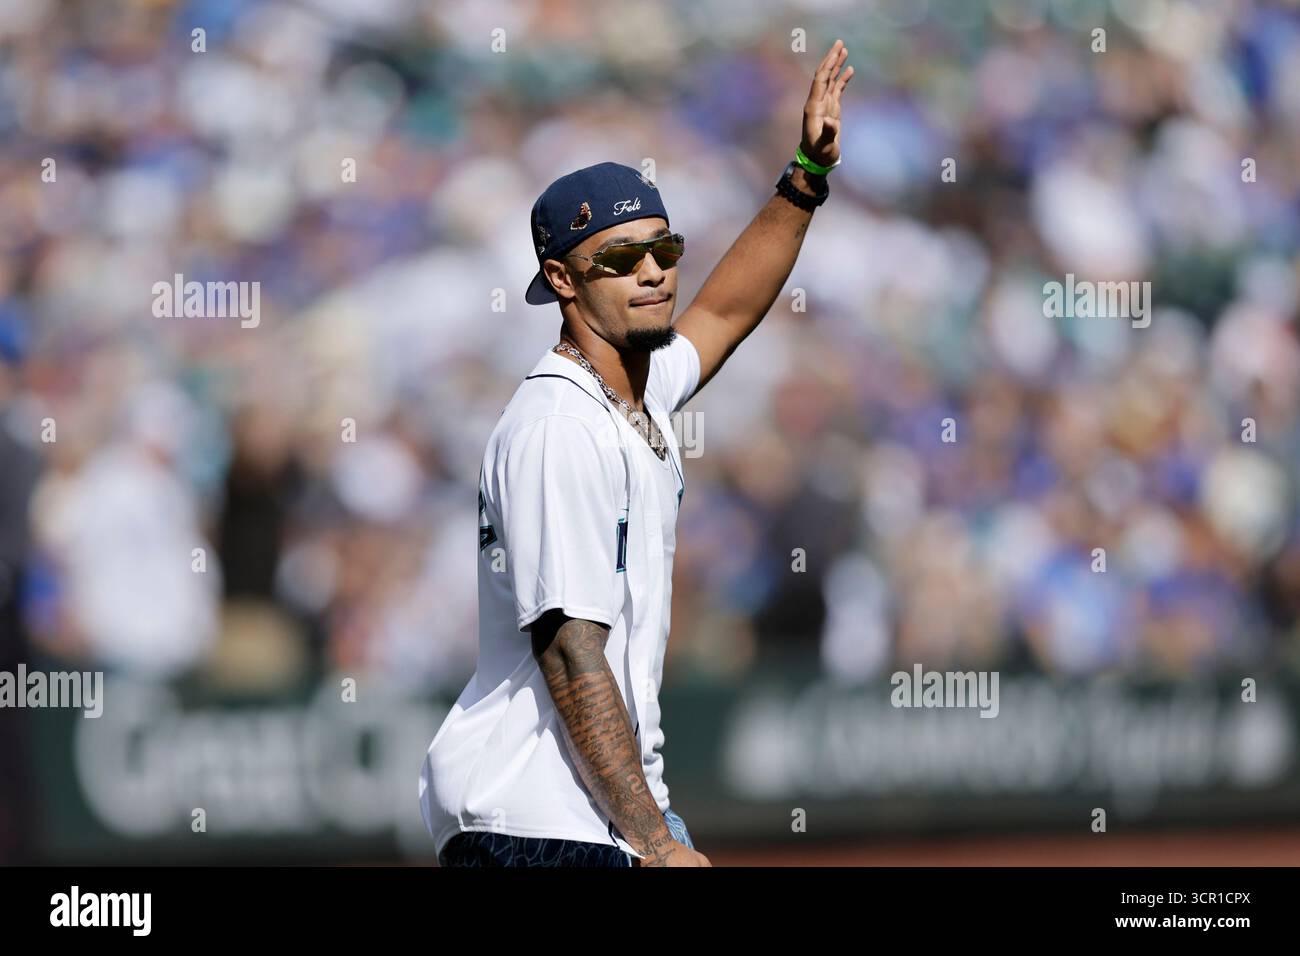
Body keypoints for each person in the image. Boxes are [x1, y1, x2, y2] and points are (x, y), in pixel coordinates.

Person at [420, 41, 853, 867]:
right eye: (620, 258)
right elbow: (569, 645)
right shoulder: (556, 425)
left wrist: (804, 176)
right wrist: (654, 841)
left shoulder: (636, 390)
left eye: (665, 249)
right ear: (564, 279)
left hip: (589, 811)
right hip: (538, 815)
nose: (653, 272)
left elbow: (725, 310)